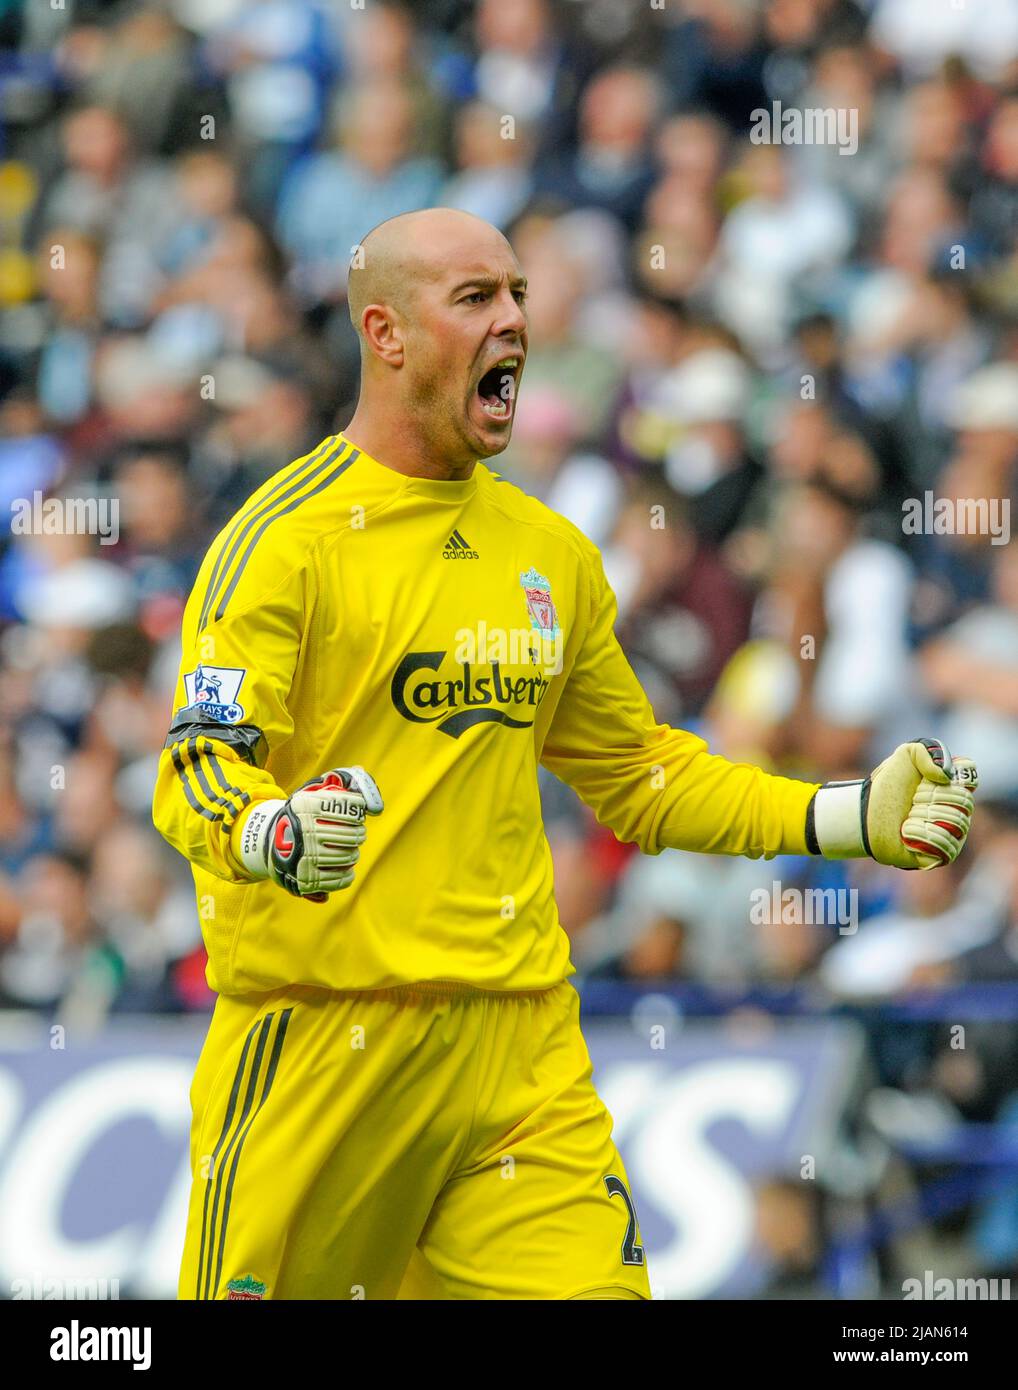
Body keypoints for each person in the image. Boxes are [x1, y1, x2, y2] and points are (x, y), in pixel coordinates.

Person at [151, 208, 978, 1301]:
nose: (512, 324)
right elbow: (196, 770)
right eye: (475, 299)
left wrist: (838, 815)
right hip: (321, 1041)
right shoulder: (281, 543)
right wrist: (273, 827)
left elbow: (640, 774)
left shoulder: (549, 553)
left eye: (518, 296)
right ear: (385, 334)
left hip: (519, 1046)